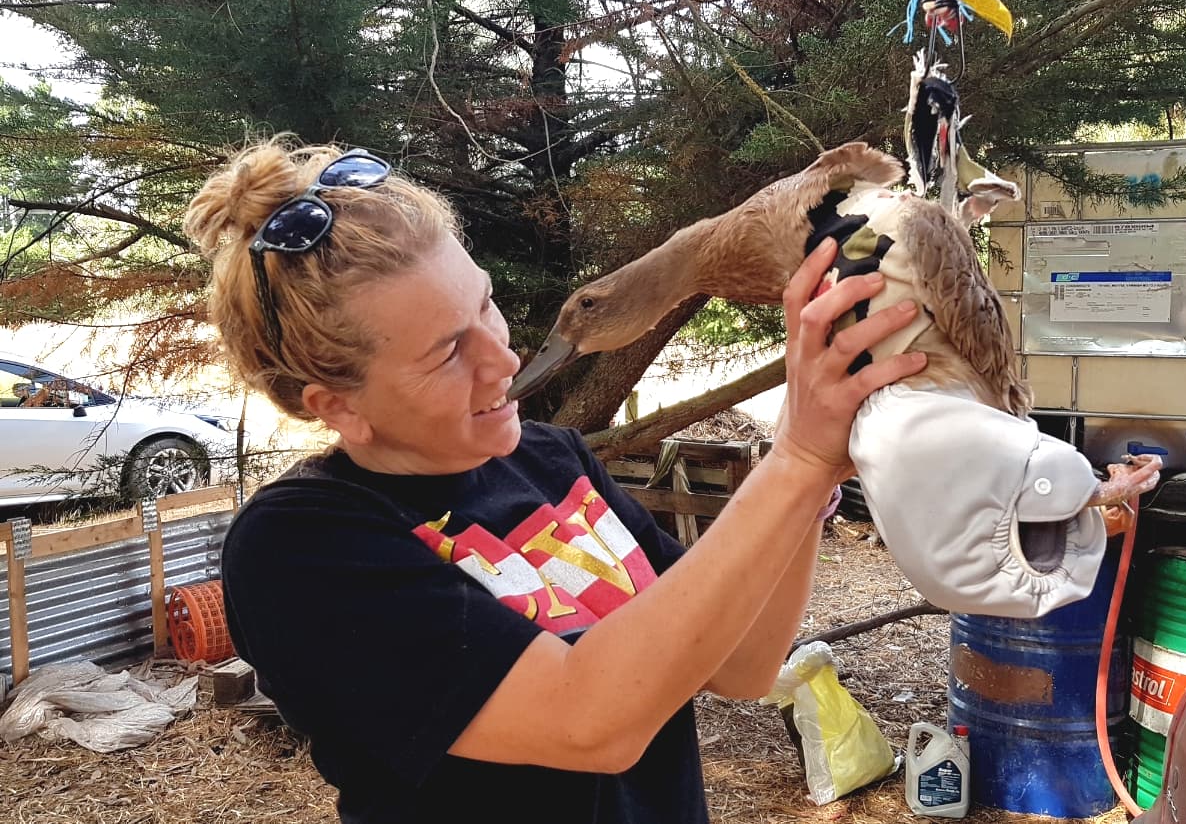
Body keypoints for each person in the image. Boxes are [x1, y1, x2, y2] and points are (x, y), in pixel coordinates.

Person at [184, 136, 928, 824]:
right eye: (447, 353)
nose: (502, 360)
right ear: (337, 405)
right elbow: (588, 724)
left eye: (485, 306)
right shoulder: (303, 548)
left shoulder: (548, 460)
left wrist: (810, 476)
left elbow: (739, 663)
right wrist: (796, 458)